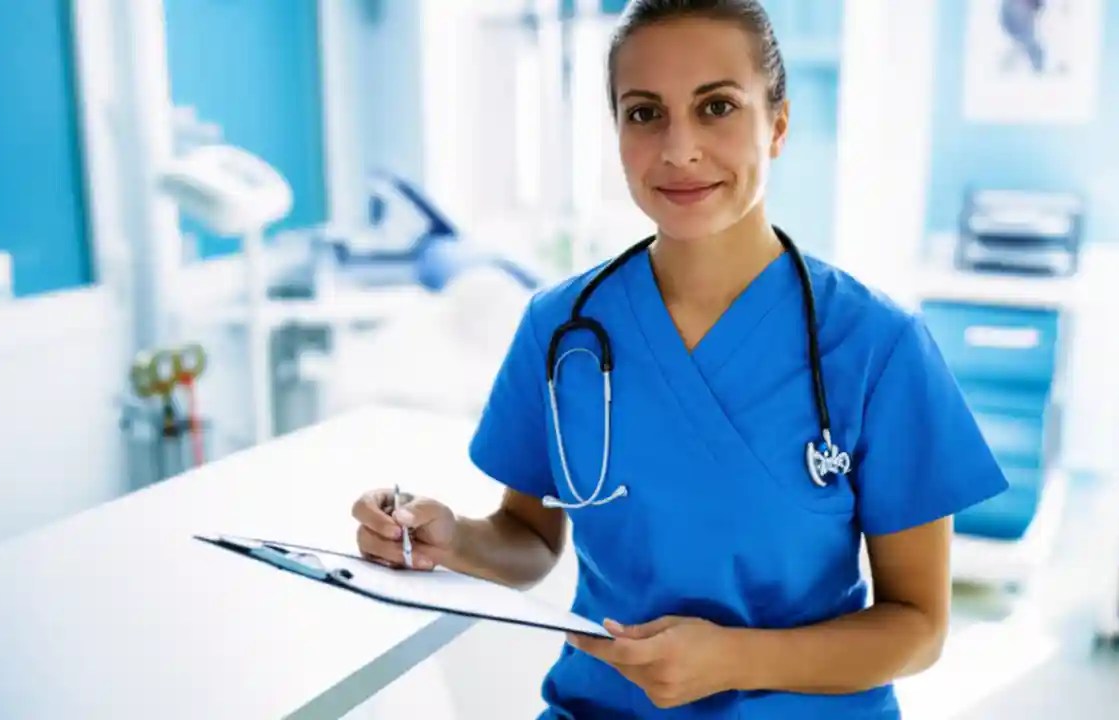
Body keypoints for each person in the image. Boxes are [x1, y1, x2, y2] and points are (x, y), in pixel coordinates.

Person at [351, 1, 1009, 716]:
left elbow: (918, 626)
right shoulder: (560, 328)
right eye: (644, 114)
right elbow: (530, 539)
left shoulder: (877, 344)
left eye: (717, 107)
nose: (679, 148)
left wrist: (735, 659)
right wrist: (449, 541)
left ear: (777, 124)